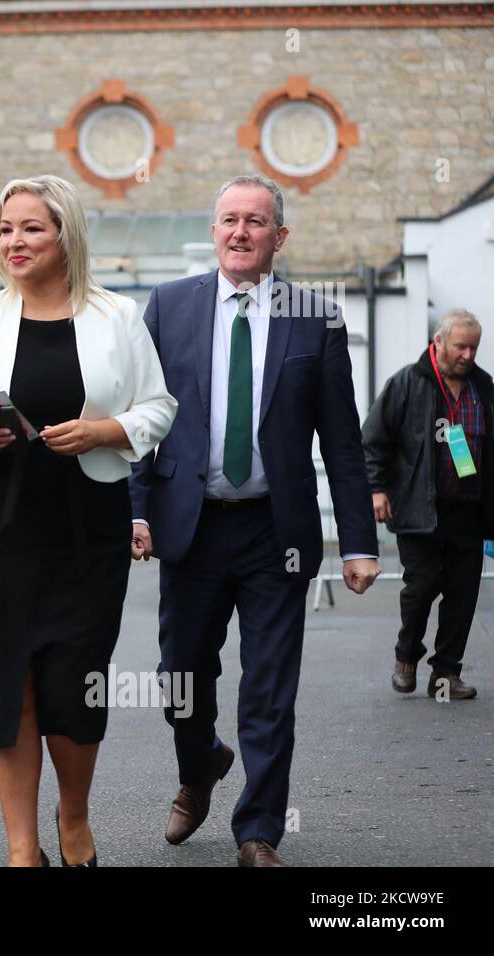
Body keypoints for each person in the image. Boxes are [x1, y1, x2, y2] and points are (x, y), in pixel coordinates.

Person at [129, 174, 380, 867]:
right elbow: (144, 420)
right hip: (191, 524)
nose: (241, 232)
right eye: (229, 220)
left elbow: (341, 439)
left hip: (278, 534)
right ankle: (201, 762)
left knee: (269, 683)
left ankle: (259, 830)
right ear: (213, 233)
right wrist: (138, 508)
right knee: (181, 678)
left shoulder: (315, 317)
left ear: (279, 236)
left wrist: (358, 541)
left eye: (256, 221)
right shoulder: (169, 306)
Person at [0, 175, 177, 867]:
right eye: (5, 229)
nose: (14, 241)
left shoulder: (117, 315)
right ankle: (22, 849)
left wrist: (108, 430)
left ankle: (73, 816)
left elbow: (159, 407)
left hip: (86, 520)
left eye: (30, 228)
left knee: (74, 679)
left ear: (65, 234)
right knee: (4, 679)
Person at [363, 308, 487, 700]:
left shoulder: (483, 387)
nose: (468, 355)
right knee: (421, 588)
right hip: (420, 508)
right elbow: (373, 440)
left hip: (469, 509)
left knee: (463, 593)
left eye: (474, 347)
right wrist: (376, 489)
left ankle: (446, 674)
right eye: (460, 346)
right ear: (439, 342)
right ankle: (407, 656)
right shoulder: (407, 383)